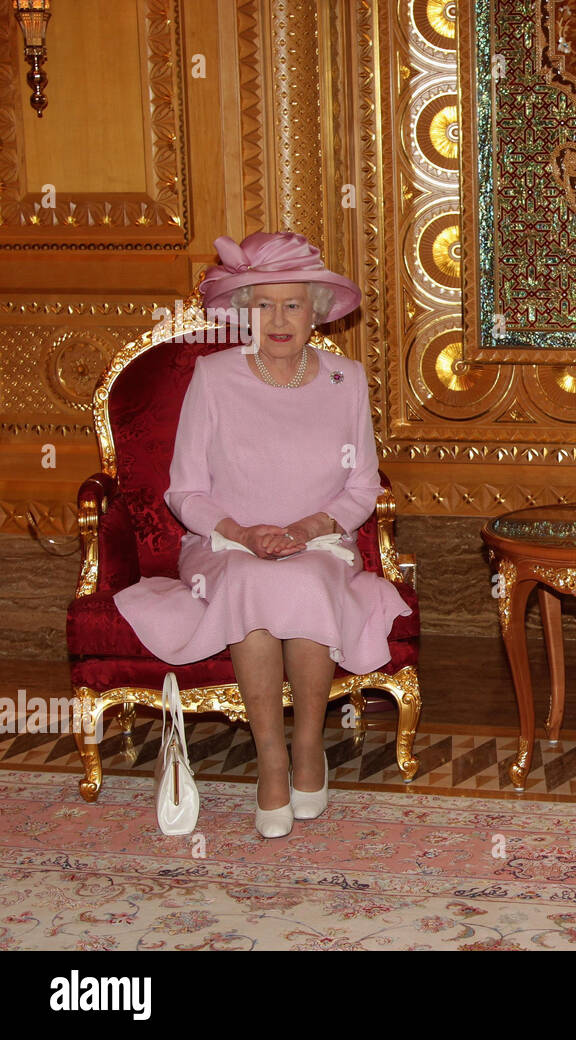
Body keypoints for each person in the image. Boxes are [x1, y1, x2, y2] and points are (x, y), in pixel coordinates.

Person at [114, 231, 412, 838]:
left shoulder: (345, 379)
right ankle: (271, 761)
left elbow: (362, 486)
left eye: (293, 304)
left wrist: (308, 527)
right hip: (226, 542)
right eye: (265, 304)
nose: (279, 319)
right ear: (246, 310)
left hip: (321, 541)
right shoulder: (215, 377)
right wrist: (242, 532)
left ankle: (308, 748)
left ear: (316, 311)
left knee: (303, 578)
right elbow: (184, 491)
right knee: (253, 579)